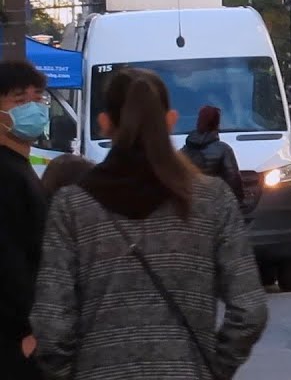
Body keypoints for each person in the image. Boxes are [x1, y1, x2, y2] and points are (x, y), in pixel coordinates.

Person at [29, 68, 268, 379]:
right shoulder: (212, 200)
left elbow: (51, 322)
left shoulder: (72, 206)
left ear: (105, 123)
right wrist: (215, 367)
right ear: (170, 120)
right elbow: (250, 310)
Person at [0, 60, 51, 380]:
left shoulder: (20, 166)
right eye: (19, 100)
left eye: (38, 98)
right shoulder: (5, 174)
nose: (33, 107)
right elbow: (8, 259)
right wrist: (27, 337)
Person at [182, 105, 245, 203]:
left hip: (189, 203)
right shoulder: (223, 149)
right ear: (217, 123)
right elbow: (233, 179)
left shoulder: (183, 151)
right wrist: (239, 200)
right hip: (215, 202)